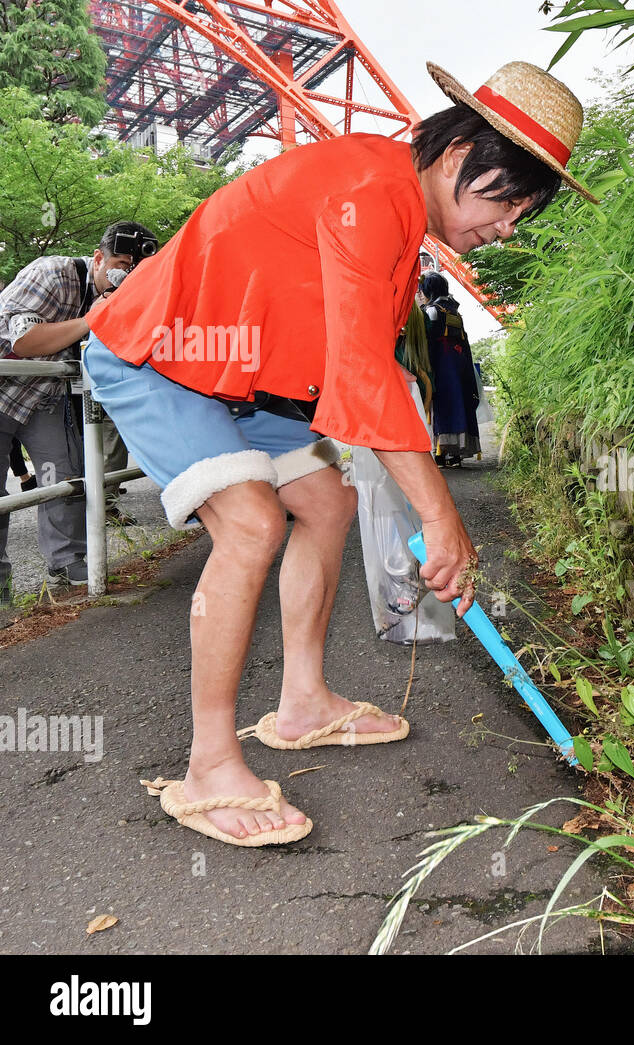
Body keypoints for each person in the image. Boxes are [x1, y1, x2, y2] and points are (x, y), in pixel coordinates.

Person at [82, 61, 597, 847]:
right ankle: (208, 766)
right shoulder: (371, 185)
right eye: (508, 200)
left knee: (328, 501)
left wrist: (436, 505)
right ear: (459, 159)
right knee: (252, 523)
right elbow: (362, 369)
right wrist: (441, 513)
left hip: (239, 379)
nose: (508, 227)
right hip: (156, 351)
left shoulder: (398, 215)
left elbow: (369, 366)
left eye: (524, 211)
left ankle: (301, 704)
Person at [0, 221, 156, 598]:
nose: (127, 272)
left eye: (136, 267)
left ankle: (66, 563)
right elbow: (24, 341)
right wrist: (94, 318)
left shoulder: (129, 294)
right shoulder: (53, 272)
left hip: (45, 397)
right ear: (99, 258)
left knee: (65, 477)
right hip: (5, 386)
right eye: (121, 261)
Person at [418, 271, 481, 467]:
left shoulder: (432, 311)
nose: (420, 295)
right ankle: (456, 453)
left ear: (430, 290)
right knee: (459, 405)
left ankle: (441, 451)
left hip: (441, 366)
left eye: (422, 291)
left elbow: (426, 341)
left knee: (441, 406)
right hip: (459, 365)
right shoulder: (455, 312)